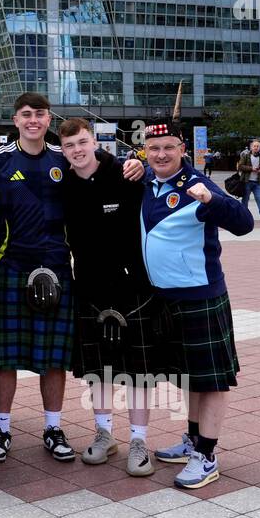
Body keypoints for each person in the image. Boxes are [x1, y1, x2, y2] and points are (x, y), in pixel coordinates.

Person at [0, 93, 142, 464]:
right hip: (12, 268)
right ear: (16, 120)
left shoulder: (61, 158)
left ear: (48, 119)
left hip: (58, 269)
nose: (33, 120)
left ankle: (53, 427)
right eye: (25, 114)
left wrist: (136, 167)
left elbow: (102, 166)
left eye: (39, 114)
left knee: (54, 357)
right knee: (5, 358)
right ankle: (1, 429)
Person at [140, 122, 254, 489]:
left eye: (168, 148)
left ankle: (207, 455)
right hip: (163, 296)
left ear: (182, 148)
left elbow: (244, 224)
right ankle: (192, 440)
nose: (160, 155)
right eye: (153, 148)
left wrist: (211, 199)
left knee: (213, 378)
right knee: (189, 375)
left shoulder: (196, 185)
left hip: (200, 295)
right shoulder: (146, 180)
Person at [58, 118, 158, 476]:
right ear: (64, 150)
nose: (77, 150)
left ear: (94, 141)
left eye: (82, 142)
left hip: (133, 286)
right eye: (69, 146)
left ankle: (139, 440)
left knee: (137, 370)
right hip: (88, 285)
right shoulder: (65, 183)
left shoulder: (125, 173)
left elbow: (163, 177)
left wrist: (142, 165)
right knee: (98, 371)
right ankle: (104, 434)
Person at [237, 138, 260, 223]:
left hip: (257, 182)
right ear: (251, 147)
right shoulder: (246, 156)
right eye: (254, 146)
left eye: (257, 146)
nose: (256, 147)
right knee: (245, 199)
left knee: (259, 198)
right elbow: (240, 166)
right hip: (247, 181)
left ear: (259, 148)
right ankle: (243, 216)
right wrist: (251, 168)